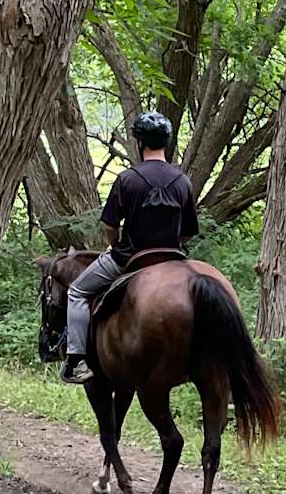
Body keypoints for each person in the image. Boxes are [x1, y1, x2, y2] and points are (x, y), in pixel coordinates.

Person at [61, 110, 199, 382]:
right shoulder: (183, 181)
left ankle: (76, 361)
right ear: (166, 142)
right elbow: (189, 232)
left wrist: (114, 245)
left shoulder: (128, 179)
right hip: (172, 259)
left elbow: (110, 225)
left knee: (77, 291)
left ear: (140, 143)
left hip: (129, 258)